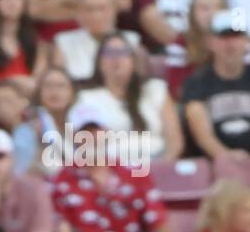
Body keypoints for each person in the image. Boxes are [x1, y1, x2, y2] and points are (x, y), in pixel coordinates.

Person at [50, 105, 169, 232]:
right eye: (84, 132)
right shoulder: (62, 181)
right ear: (73, 137)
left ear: (106, 133)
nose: (91, 138)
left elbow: (158, 222)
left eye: (96, 131)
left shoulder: (135, 174)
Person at [181, 10, 250, 160]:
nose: (230, 43)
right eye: (223, 37)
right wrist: (226, 158)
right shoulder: (195, 83)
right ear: (210, 42)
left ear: (246, 40)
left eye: (236, 36)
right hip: (216, 165)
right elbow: (203, 135)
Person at [75, 32, 182, 161]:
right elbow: (86, 146)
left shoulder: (156, 89)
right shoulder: (86, 97)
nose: (116, 59)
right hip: (112, 168)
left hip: (156, 163)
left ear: (133, 60)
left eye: (122, 52)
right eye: (109, 53)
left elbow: (174, 141)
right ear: (99, 62)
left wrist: (163, 168)